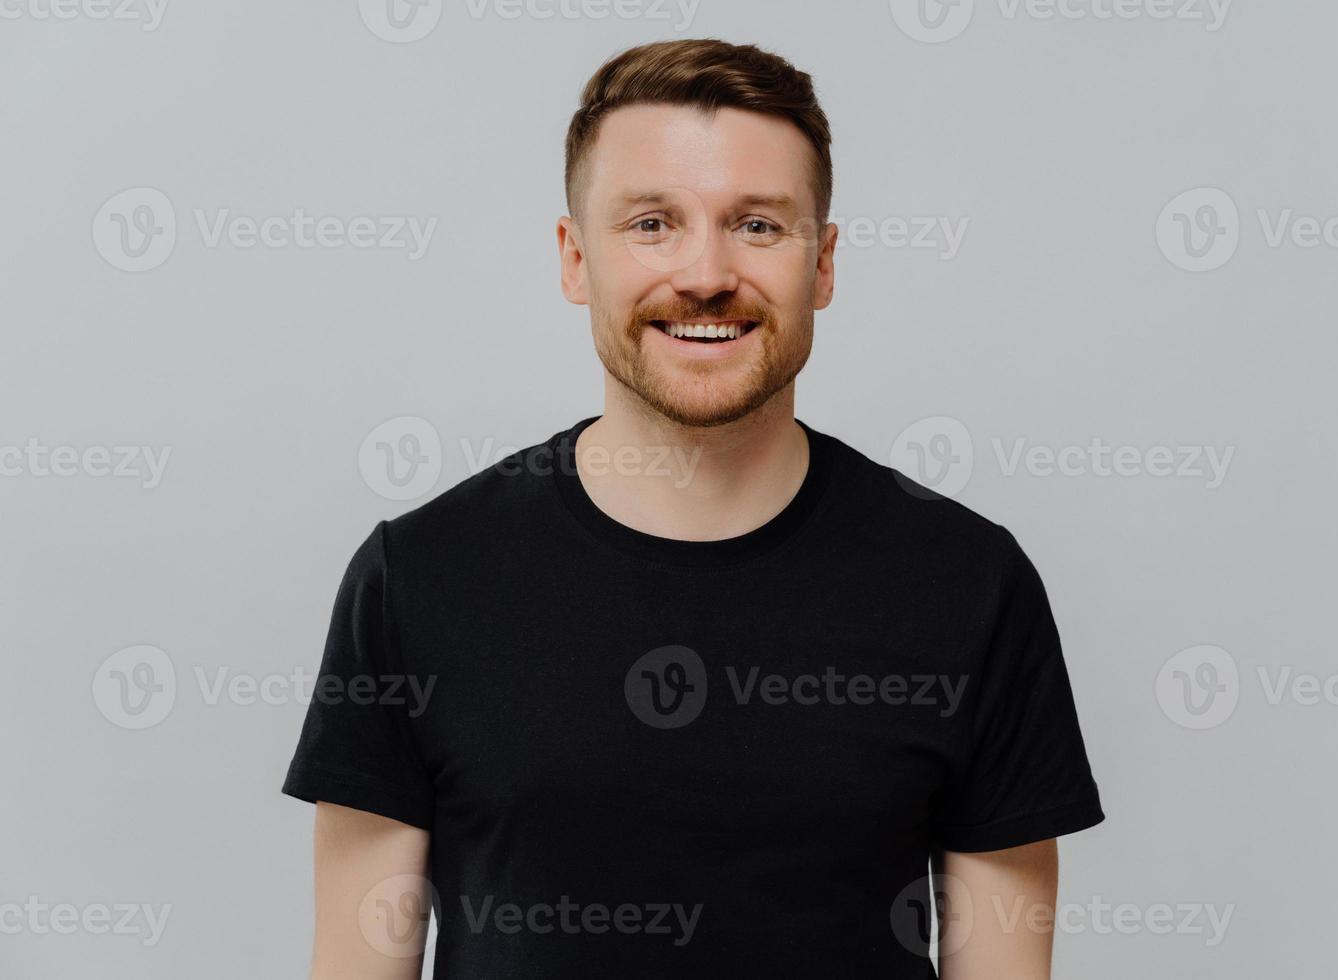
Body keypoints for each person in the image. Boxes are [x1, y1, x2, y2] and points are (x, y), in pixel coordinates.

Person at [282, 37, 1104, 979]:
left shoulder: (970, 583)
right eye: (651, 223)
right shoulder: (416, 579)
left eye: (758, 225)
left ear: (824, 265)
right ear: (574, 259)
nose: (706, 273)